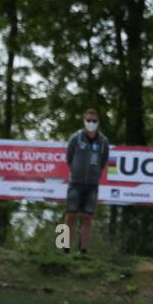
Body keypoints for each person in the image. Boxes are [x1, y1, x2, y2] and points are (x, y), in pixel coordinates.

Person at [64, 109, 112, 256]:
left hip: (92, 185)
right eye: (89, 120)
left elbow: (103, 161)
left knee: (88, 217)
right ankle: (63, 247)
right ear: (84, 121)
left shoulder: (103, 142)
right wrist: (76, 171)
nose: (91, 123)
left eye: (94, 121)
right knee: (70, 215)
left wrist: (95, 173)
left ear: (98, 123)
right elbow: (69, 157)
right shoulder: (76, 138)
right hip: (75, 182)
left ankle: (83, 250)